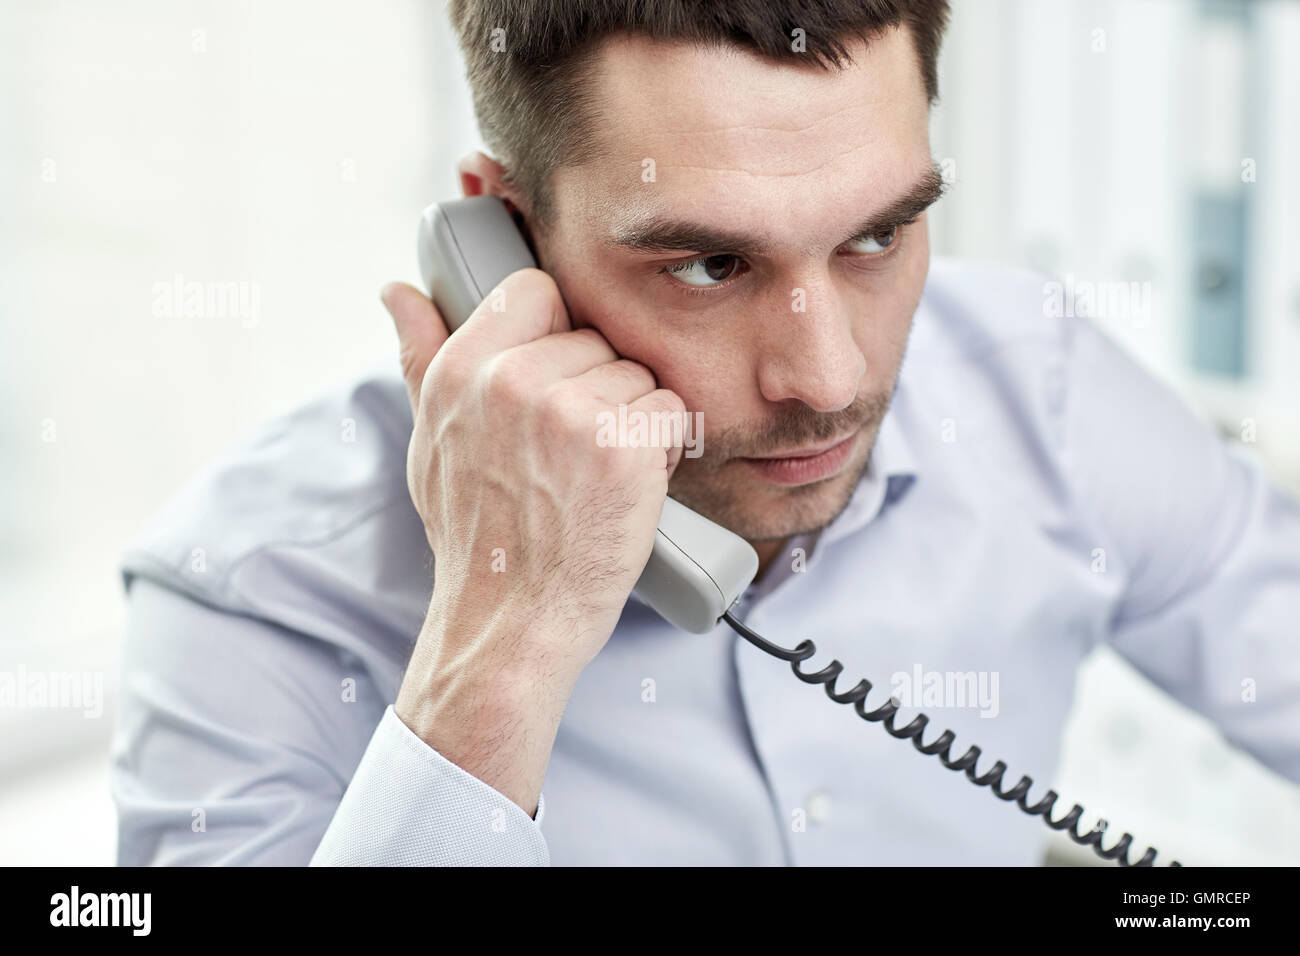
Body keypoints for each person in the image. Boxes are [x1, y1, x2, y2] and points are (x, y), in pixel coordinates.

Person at [111, 0, 1300, 866]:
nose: (827, 376)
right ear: (502, 243)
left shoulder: (1038, 385)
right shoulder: (254, 585)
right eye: (707, 262)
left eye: (877, 237)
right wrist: (503, 639)